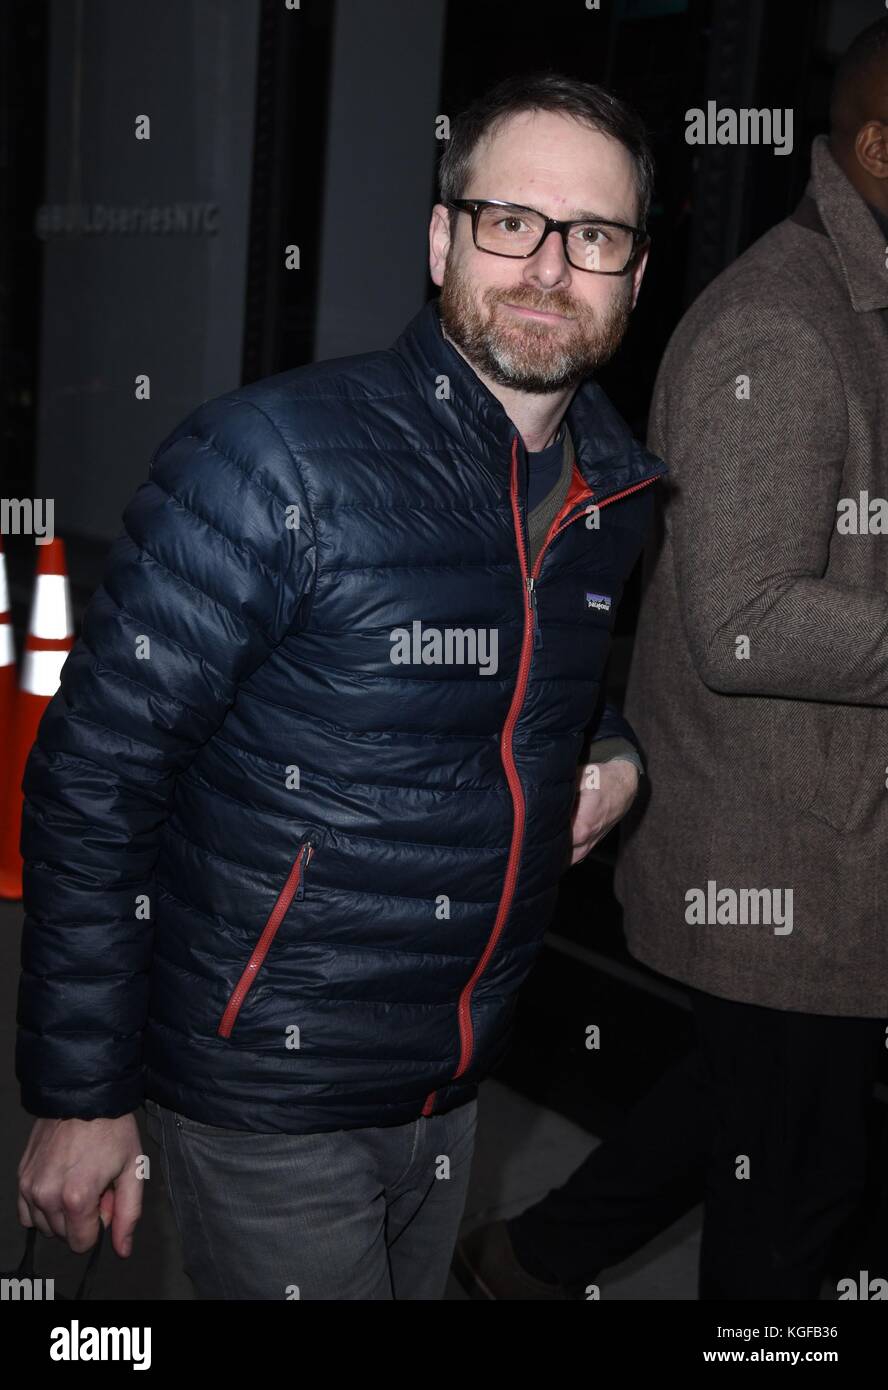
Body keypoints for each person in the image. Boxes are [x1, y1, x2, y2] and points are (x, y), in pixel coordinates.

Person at [14, 71, 665, 1300]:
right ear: (440, 237)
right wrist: (81, 1096)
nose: (548, 266)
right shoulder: (271, 460)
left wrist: (617, 756)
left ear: (635, 270)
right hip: (266, 1085)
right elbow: (96, 776)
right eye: (508, 221)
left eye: (594, 236)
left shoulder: (609, 492)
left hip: (453, 1075)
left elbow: (529, 667)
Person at [455, 19, 888, 1302]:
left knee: (736, 1103)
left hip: (824, 842)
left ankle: (531, 1257)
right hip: (785, 862)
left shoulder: (857, 300)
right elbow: (743, 614)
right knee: (798, 1187)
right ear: (875, 148)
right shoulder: (782, 326)